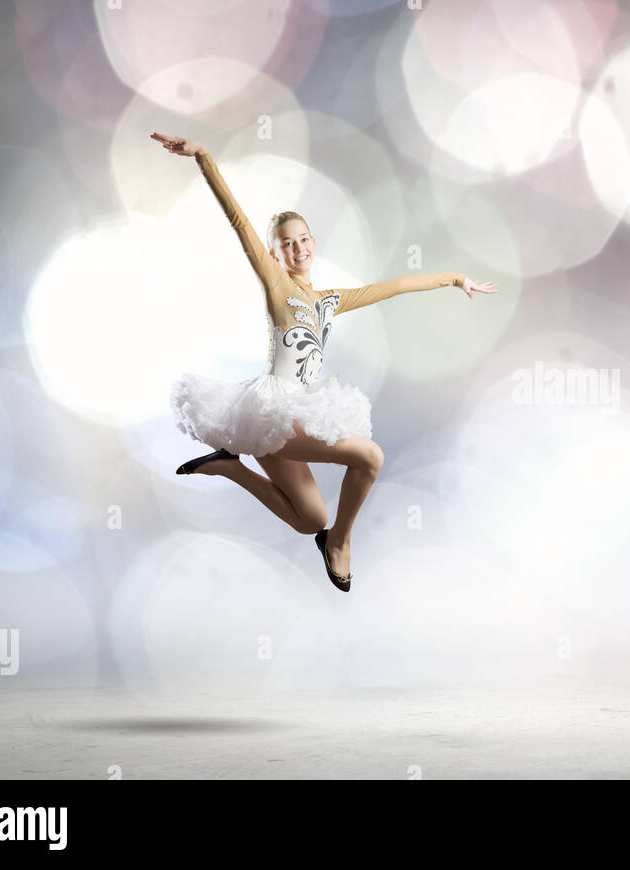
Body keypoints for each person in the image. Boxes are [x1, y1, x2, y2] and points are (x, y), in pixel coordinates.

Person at [150, 132, 498, 592]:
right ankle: (339, 543)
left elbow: (393, 286)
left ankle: (231, 467)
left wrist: (455, 278)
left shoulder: (330, 300)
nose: (297, 250)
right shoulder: (276, 284)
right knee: (369, 457)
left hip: (290, 414)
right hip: (270, 411)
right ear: (274, 254)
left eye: (303, 240)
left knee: (308, 518)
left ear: (313, 242)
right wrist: (204, 158)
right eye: (285, 244)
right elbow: (239, 224)